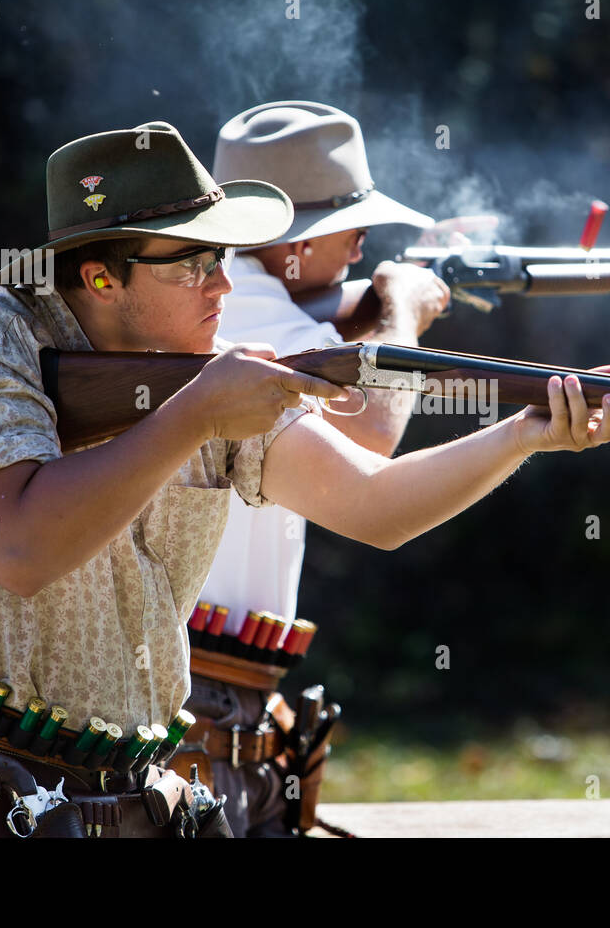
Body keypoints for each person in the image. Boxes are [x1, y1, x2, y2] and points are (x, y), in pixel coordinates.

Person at [0, 120, 610, 838]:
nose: (224, 286)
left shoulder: (200, 374)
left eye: (222, 258)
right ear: (100, 278)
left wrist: (524, 433)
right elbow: (19, 548)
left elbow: (376, 504)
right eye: (193, 264)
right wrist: (194, 417)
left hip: (132, 791)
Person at [187, 102, 461, 834]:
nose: (363, 242)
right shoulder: (248, 319)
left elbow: (322, 320)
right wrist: (399, 312)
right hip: (199, 694)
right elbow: (370, 441)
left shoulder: (235, 299)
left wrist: (384, 302)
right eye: (348, 224)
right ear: (288, 246)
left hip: (221, 685)